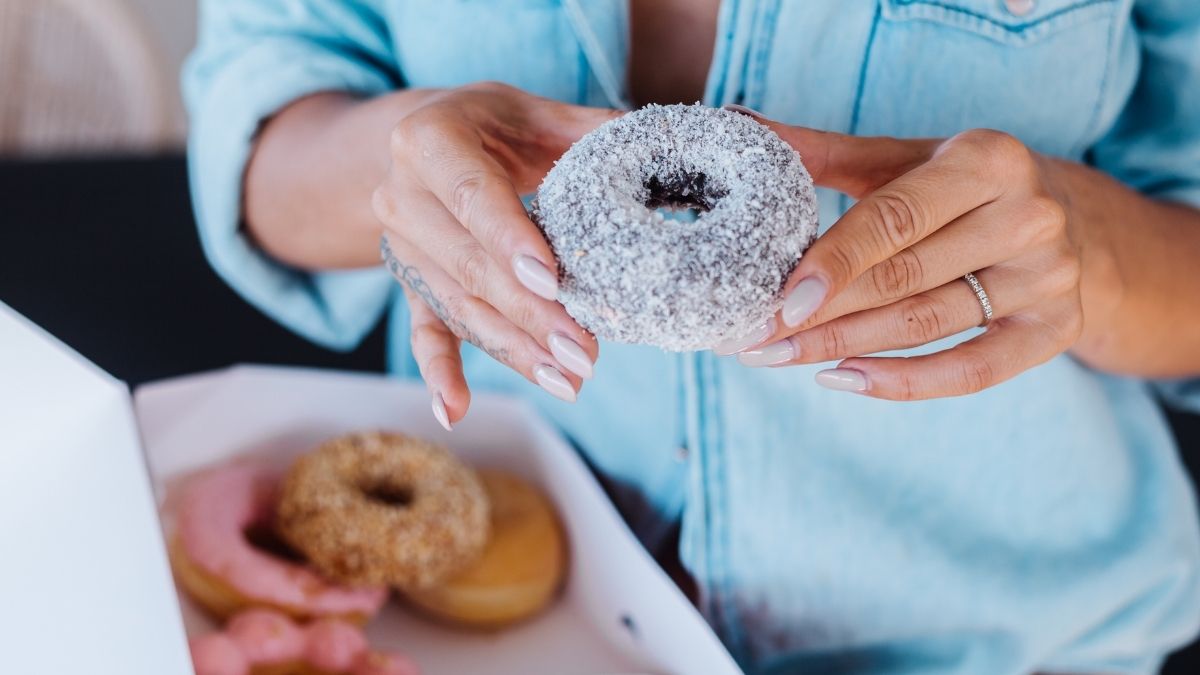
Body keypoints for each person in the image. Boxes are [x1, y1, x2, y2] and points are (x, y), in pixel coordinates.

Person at [185, 1, 1200, 672]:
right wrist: (401, 164)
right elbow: (261, 129)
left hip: (1010, 626)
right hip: (507, 619)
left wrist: (1088, 245)